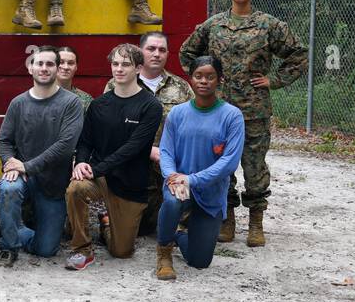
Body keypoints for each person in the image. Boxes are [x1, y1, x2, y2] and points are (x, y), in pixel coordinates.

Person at [180, 0, 308, 246]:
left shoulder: (269, 25)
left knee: (254, 166)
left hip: (254, 109)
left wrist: (274, 80)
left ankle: (256, 223)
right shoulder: (213, 25)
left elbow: (298, 55)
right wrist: (203, 82)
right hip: (219, 110)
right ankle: (226, 220)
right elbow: (187, 52)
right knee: (221, 165)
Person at [64, 43, 162, 270]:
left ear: (138, 69)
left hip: (130, 182)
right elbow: (86, 141)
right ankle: (82, 250)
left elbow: (133, 148)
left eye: (125, 64)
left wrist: (96, 169)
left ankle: (106, 223)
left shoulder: (150, 106)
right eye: (115, 63)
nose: (119, 69)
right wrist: (81, 164)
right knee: (75, 188)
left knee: (122, 252)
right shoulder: (99, 105)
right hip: (99, 178)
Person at [156, 57, 246, 279]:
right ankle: (164, 253)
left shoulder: (232, 116)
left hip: (209, 190)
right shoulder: (177, 113)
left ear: (219, 80)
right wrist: (172, 177)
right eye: (198, 76)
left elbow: (229, 162)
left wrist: (192, 179)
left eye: (210, 76)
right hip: (180, 183)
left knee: (200, 261)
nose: (204, 81)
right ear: (191, 80)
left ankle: (178, 235)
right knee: (173, 201)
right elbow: (166, 152)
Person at [0, 46, 84, 263]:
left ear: (57, 68)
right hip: (22, 177)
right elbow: (3, 141)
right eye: (39, 63)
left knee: (46, 249)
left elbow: (65, 145)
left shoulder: (71, 103)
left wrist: (27, 166)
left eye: (49, 64)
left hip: (52, 181)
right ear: (31, 68)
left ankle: (13, 229)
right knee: (8, 189)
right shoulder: (18, 103)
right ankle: (9, 246)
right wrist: (10, 164)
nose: (44, 68)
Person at [104, 31, 194, 235]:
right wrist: (147, 150)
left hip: (168, 166)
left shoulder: (182, 87)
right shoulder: (115, 85)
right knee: (135, 231)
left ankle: (180, 227)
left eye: (162, 50)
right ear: (140, 52)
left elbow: (190, 128)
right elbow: (110, 129)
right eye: (151, 49)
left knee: (166, 226)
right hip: (131, 166)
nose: (156, 54)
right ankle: (111, 221)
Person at [56, 45, 93, 112]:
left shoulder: (86, 100)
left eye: (70, 63)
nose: (66, 67)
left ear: (76, 67)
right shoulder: (41, 95)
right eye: (61, 62)